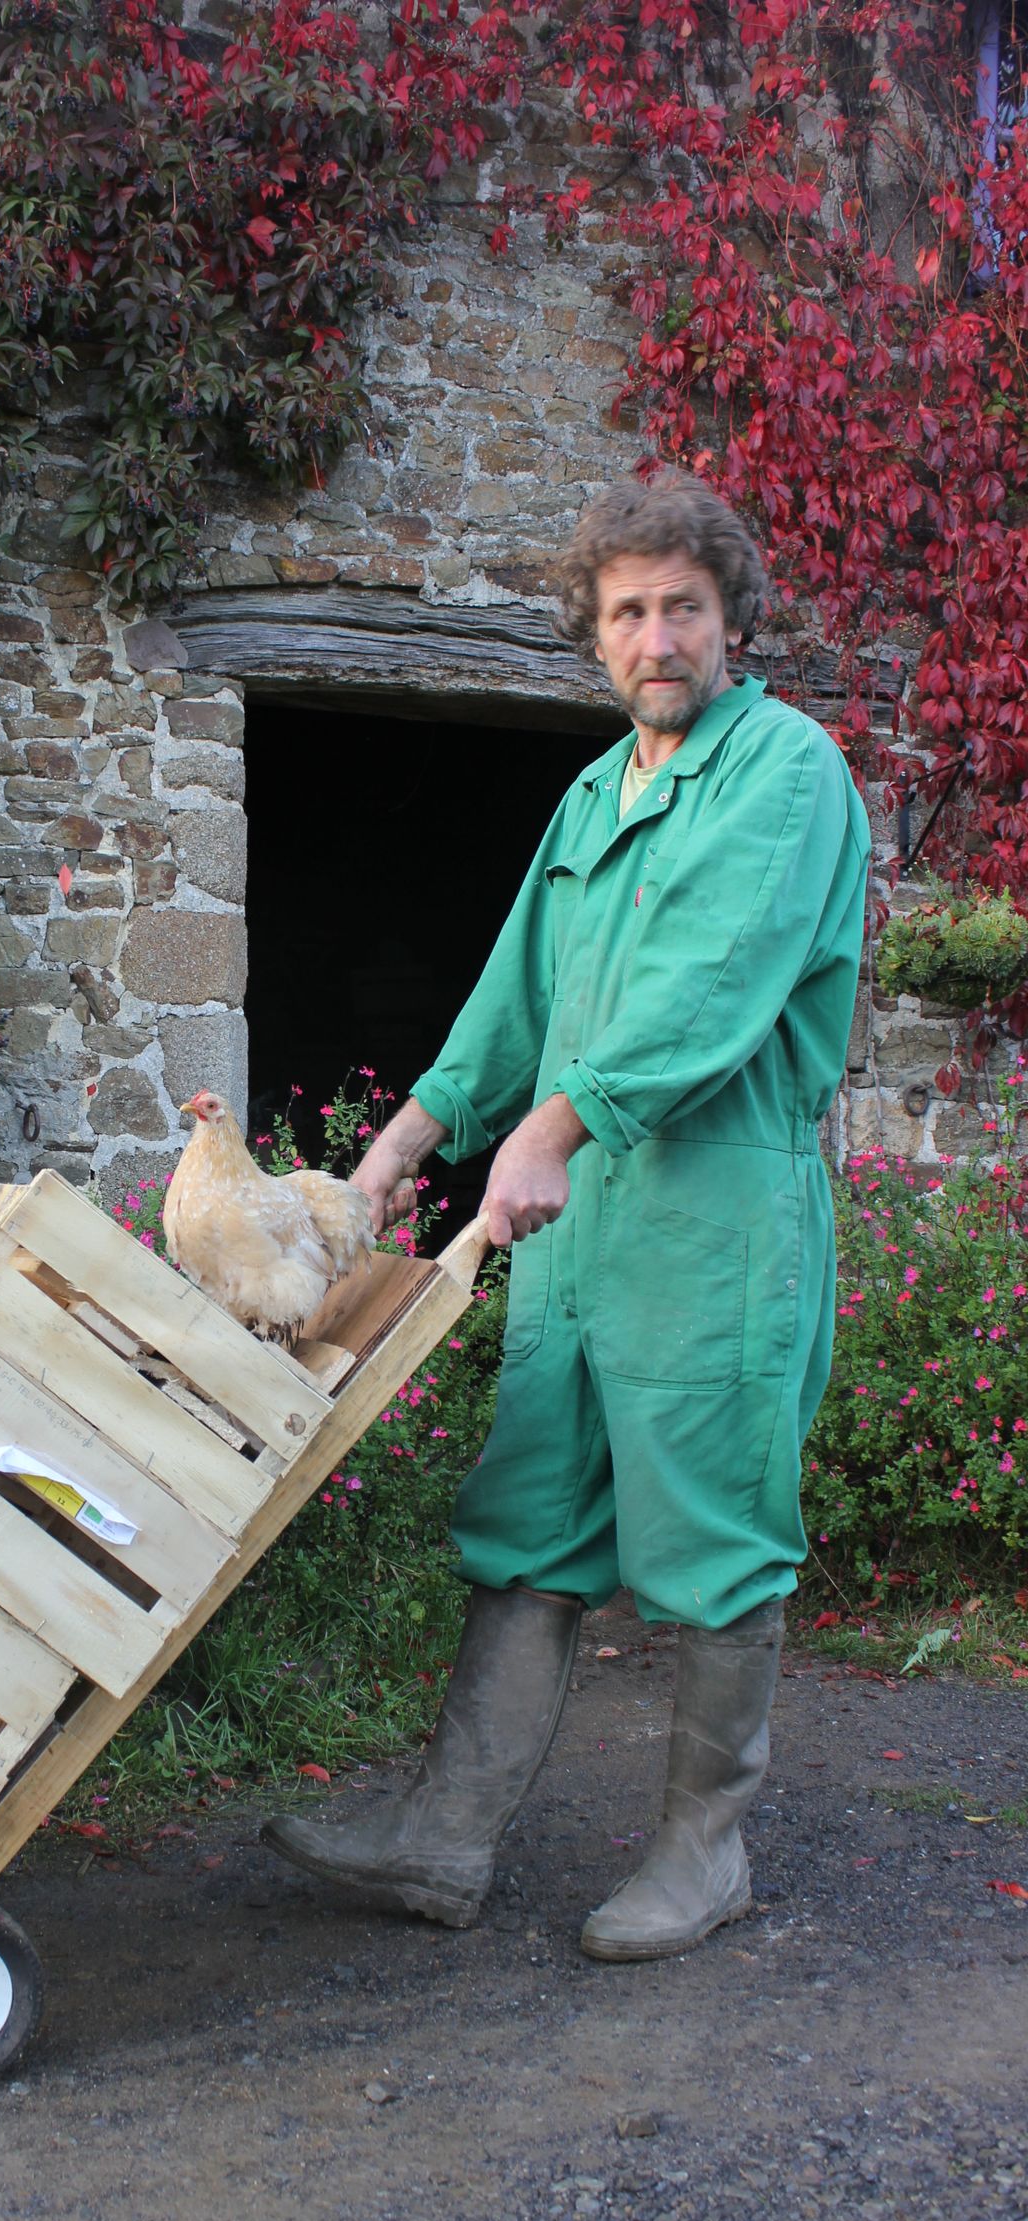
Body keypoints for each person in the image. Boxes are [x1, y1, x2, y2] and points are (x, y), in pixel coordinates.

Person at [263, 469, 871, 1962]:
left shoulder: (784, 773)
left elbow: (710, 990)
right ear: (593, 640)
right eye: (627, 613)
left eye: (683, 607)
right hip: (579, 1231)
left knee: (714, 1542)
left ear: (730, 621)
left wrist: (548, 1128)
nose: (656, 636)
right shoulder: (595, 794)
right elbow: (513, 1001)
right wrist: (397, 1150)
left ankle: (701, 1853)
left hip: (715, 1228)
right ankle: (441, 1841)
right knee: (528, 1523)